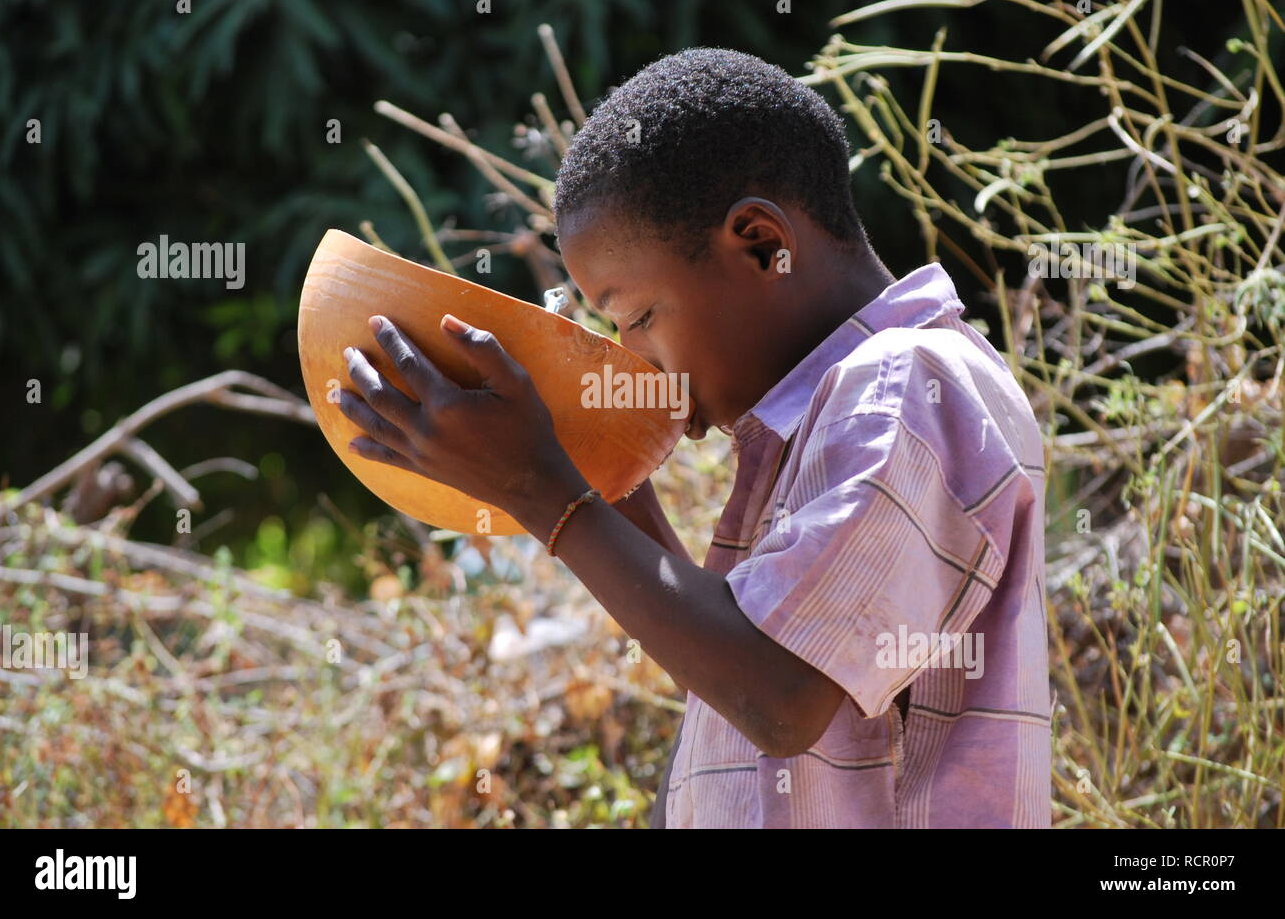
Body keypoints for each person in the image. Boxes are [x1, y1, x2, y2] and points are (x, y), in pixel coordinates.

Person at [336, 47, 1051, 828]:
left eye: (638, 317)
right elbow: (735, 674)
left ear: (759, 243)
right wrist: (603, 480)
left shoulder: (904, 387)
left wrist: (540, 491)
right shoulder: (823, 418)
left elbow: (780, 697)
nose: (633, 357)